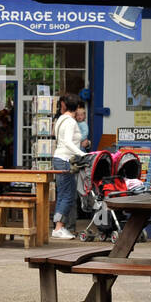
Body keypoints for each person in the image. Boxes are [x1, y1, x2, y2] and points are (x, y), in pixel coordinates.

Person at [51, 94, 84, 240]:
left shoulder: (60, 119)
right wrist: (82, 154)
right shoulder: (70, 121)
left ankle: (59, 226)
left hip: (59, 158)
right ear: (76, 108)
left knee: (63, 194)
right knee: (68, 195)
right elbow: (68, 142)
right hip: (65, 159)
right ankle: (59, 227)